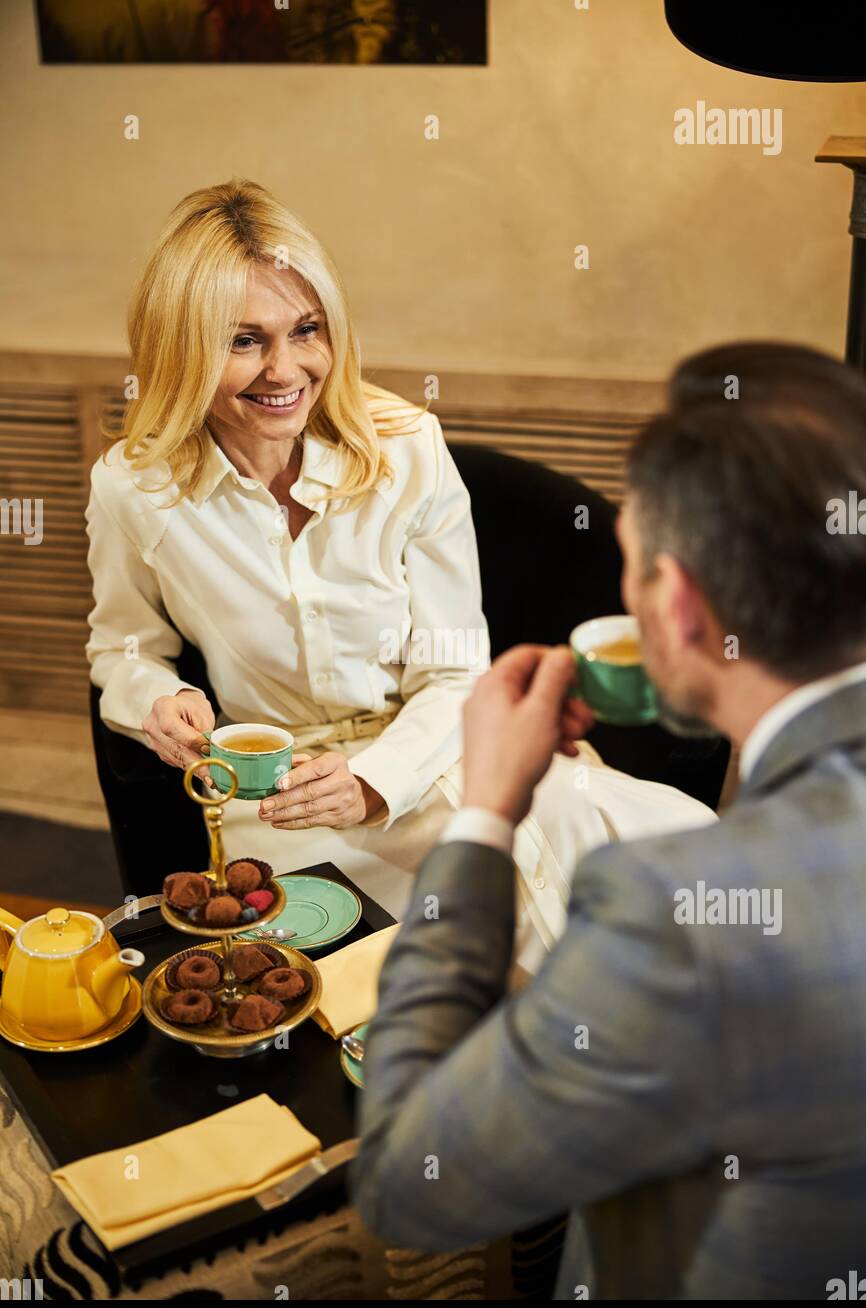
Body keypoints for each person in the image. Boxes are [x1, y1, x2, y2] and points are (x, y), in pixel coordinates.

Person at [85, 177, 713, 965]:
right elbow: (122, 650)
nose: (287, 370)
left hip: (436, 758)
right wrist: (156, 696)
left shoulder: (410, 450)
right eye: (243, 341)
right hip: (288, 806)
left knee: (675, 890)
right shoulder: (131, 487)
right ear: (181, 348)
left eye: (307, 329)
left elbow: (456, 675)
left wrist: (377, 779)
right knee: (395, 989)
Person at [353, 341, 866, 1298]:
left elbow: (408, 1180)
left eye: (629, 565)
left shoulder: (672, 915)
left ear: (671, 603)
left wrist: (483, 821)